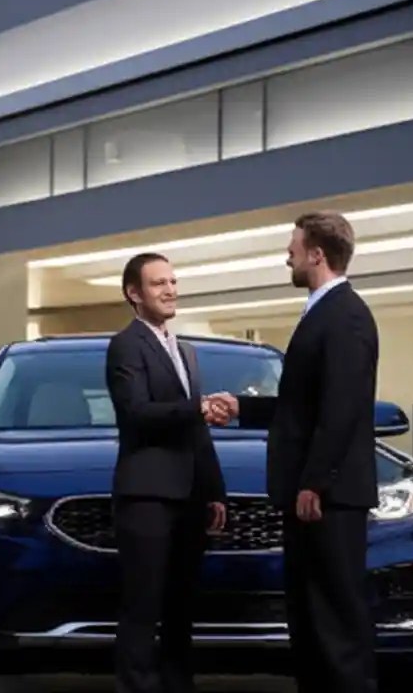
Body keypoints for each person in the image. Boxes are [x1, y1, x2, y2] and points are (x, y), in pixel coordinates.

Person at [256, 211, 381, 692]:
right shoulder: (323, 313)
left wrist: (315, 480)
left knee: (335, 628)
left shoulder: (346, 315)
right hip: (313, 496)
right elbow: (302, 407)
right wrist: (240, 408)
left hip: (327, 498)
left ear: (316, 254)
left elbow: (342, 406)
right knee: (310, 624)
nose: (286, 254)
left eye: (293, 246)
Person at [104, 252, 235, 693]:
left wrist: (214, 490)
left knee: (181, 610)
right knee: (143, 609)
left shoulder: (186, 351)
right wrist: (195, 406)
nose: (170, 289)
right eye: (158, 283)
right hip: (146, 496)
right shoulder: (125, 344)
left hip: (190, 498)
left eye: (173, 281)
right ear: (134, 293)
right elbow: (136, 412)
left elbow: (197, 431)